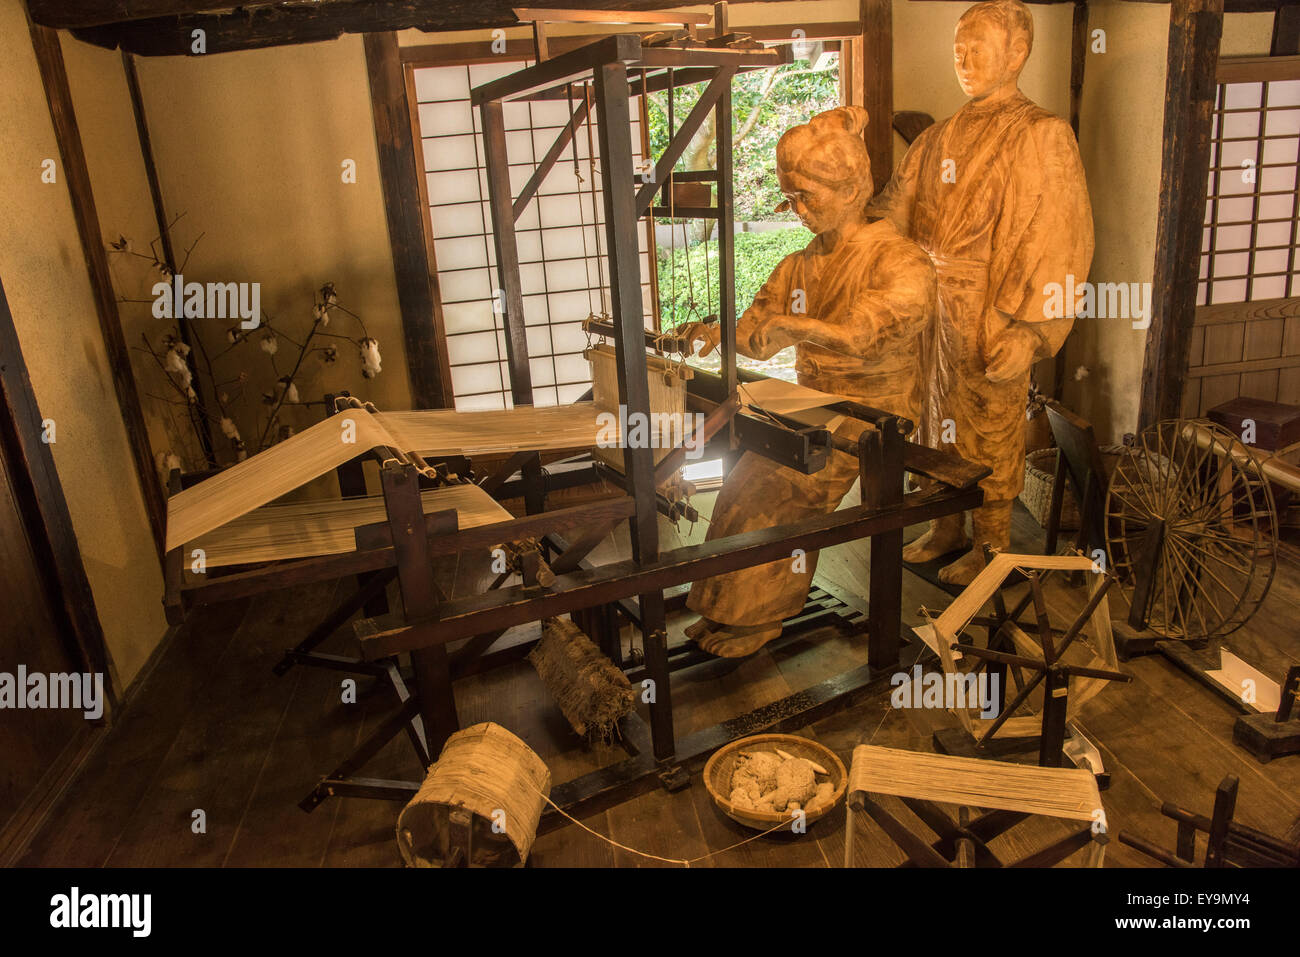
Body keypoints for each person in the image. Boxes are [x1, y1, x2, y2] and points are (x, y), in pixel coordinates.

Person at [676, 106, 935, 657]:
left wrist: (795, 328)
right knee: (741, 485)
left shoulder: (901, 259)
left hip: (875, 409)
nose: (796, 211)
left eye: (806, 197)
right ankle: (726, 609)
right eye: (789, 198)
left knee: (774, 495)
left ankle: (757, 618)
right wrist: (716, 333)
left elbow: (868, 334)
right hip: (814, 403)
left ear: (851, 191)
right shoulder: (799, 264)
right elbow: (758, 330)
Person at [868, 0, 1094, 585]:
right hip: (931, 307)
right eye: (958, 50)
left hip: (993, 309)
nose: (964, 61)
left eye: (978, 49)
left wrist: (1032, 331)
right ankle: (946, 526)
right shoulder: (937, 137)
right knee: (931, 420)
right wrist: (844, 217)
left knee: (989, 425)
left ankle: (991, 545)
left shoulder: (1043, 134)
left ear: (1017, 53)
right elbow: (892, 214)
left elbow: (1062, 238)